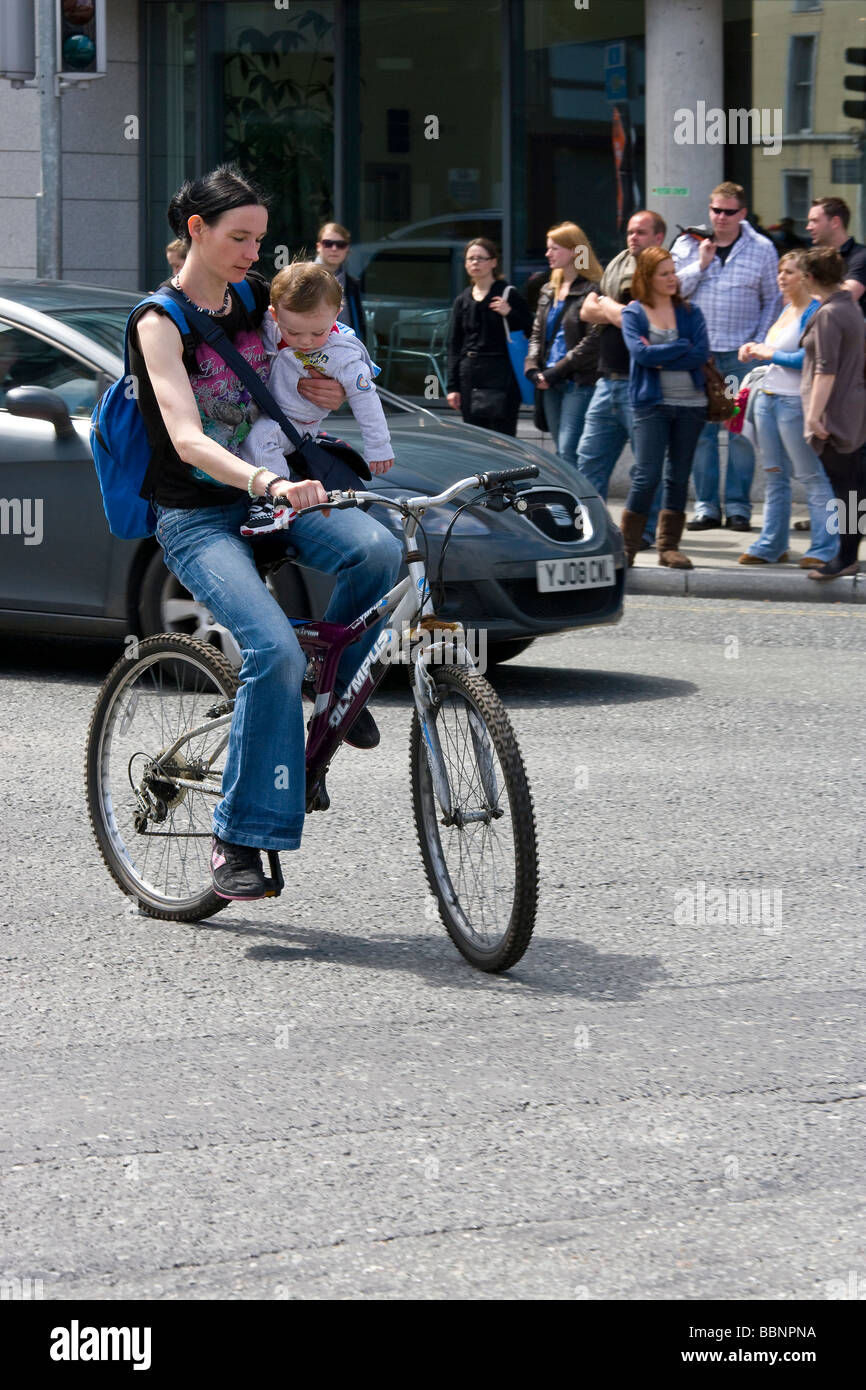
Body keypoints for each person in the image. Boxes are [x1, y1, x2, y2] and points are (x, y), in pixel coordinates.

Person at [130, 165, 402, 901]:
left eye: (260, 238)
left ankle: (337, 690)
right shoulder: (160, 322)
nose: (255, 253)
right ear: (197, 230)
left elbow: (324, 347)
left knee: (378, 548)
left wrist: (334, 386)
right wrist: (268, 481)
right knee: (273, 649)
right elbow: (186, 436)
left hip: (273, 495)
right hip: (199, 513)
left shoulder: (259, 300)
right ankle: (237, 838)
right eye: (239, 237)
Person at [239, 261, 393, 536]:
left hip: (295, 422)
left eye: (318, 332)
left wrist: (379, 447)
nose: (306, 341)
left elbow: (365, 398)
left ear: (337, 313)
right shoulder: (270, 326)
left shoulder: (342, 354)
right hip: (266, 411)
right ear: (274, 315)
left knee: (260, 440)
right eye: (293, 332)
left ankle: (277, 502)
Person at [671, 181, 781, 531]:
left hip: (740, 355)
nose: (721, 217)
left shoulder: (762, 248)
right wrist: (699, 266)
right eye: (716, 210)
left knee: (738, 433)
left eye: (729, 212)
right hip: (700, 356)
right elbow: (672, 289)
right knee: (702, 433)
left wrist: (758, 344)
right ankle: (706, 507)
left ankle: (737, 507)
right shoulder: (688, 243)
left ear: (743, 213)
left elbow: (773, 301)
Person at [735, 251, 837, 569]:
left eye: (789, 272)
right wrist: (752, 349)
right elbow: (774, 350)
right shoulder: (785, 310)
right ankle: (772, 544)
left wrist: (770, 354)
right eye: (780, 271)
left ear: (805, 277)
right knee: (774, 475)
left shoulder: (814, 311)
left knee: (812, 476)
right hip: (768, 397)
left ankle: (825, 547)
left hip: (794, 402)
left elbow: (809, 360)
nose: (782, 277)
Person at [577, 209, 667, 548]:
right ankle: (593, 529)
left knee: (644, 468)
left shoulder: (659, 271)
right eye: (630, 231)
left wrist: (614, 309)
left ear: (658, 238)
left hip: (641, 382)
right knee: (589, 459)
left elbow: (639, 318)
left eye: (641, 232)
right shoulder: (616, 265)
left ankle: (643, 532)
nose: (633, 237)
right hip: (607, 379)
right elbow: (587, 309)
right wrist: (618, 309)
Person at [619, 247, 709, 568]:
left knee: (678, 476)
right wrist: (678, 347)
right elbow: (641, 356)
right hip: (651, 405)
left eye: (674, 272)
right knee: (647, 475)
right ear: (647, 277)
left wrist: (662, 353)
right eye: (665, 274)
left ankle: (668, 547)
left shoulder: (691, 311)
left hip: (692, 404)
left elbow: (700, 354)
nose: (673, 279)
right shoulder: (634, 314)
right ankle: (627, 547)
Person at [799, 247, 866, 581]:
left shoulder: (828, 314)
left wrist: (813, 416)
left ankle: (846, 556)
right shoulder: (848, 306)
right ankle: (849, 552)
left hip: (834, 414)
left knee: (846, 489)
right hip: (850, 407)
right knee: (853, 487)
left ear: (811, 278)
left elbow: (825, 370)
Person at [524, 222, 602, 469]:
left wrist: (556, 371)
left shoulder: (593, 289)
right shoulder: (548, 288)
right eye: (548, 248)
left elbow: (592, 341)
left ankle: (578, 504)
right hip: (548, 379)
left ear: (576, 251)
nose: (548, 254)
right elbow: (537, 333)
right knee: (561, 448)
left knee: (570, 449)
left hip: (575, 380)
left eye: (555, 248)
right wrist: (532, 366)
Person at [446, 238, 532, 437]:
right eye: (470, 259)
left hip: (501, 375)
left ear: (493, 262)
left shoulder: (507, 294)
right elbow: (454, 344)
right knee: (475, 437)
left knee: (502, 435)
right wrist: (452, 387)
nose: (475, 263)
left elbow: (530, 330)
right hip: (469, 374)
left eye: (480, 258)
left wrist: (509, 313)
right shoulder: (462, 299)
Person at [805, 197, 866, 318]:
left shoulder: (861, 256)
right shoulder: (813, 259)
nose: (808, 227)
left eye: (815, 221)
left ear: (835, 222)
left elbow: (844, 297)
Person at [315, 220, 367, 342]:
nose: (334, 248)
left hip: (347, 348)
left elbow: (358, 324)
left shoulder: (352, 283)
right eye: (328, 243)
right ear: (319, 247)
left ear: (347, 249)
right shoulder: (302, 278)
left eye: (340, 244)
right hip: (310, 350)